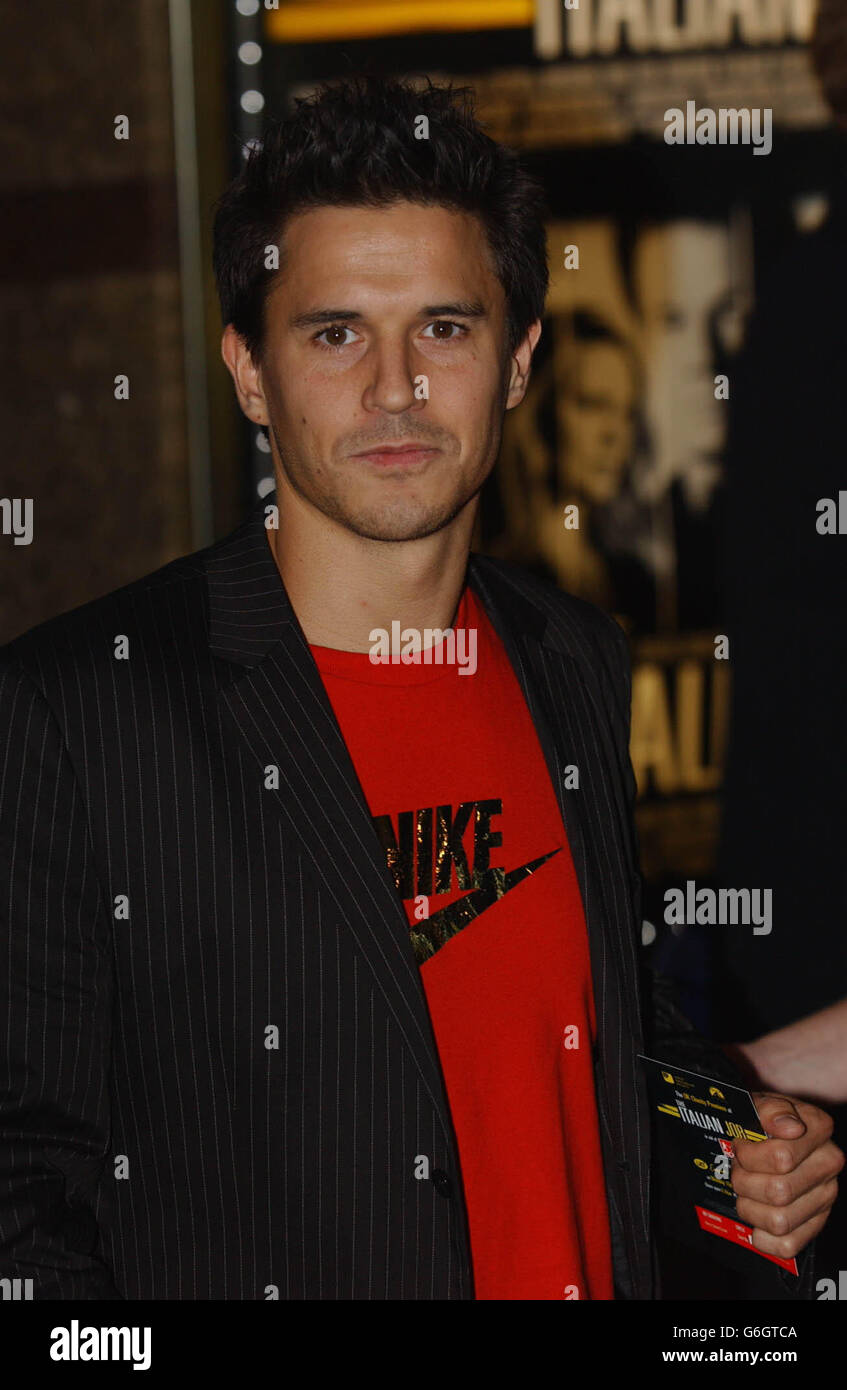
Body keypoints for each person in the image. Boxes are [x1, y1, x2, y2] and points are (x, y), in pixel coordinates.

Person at [0, 74, 841, 1302]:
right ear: (247, 370)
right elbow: (24, 1199)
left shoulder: (572, 660)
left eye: (445, 327)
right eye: (334, 331)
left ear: (517, 361)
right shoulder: (83, 714)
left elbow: (595, 1053)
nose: (394, 387)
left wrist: (734, 1153)